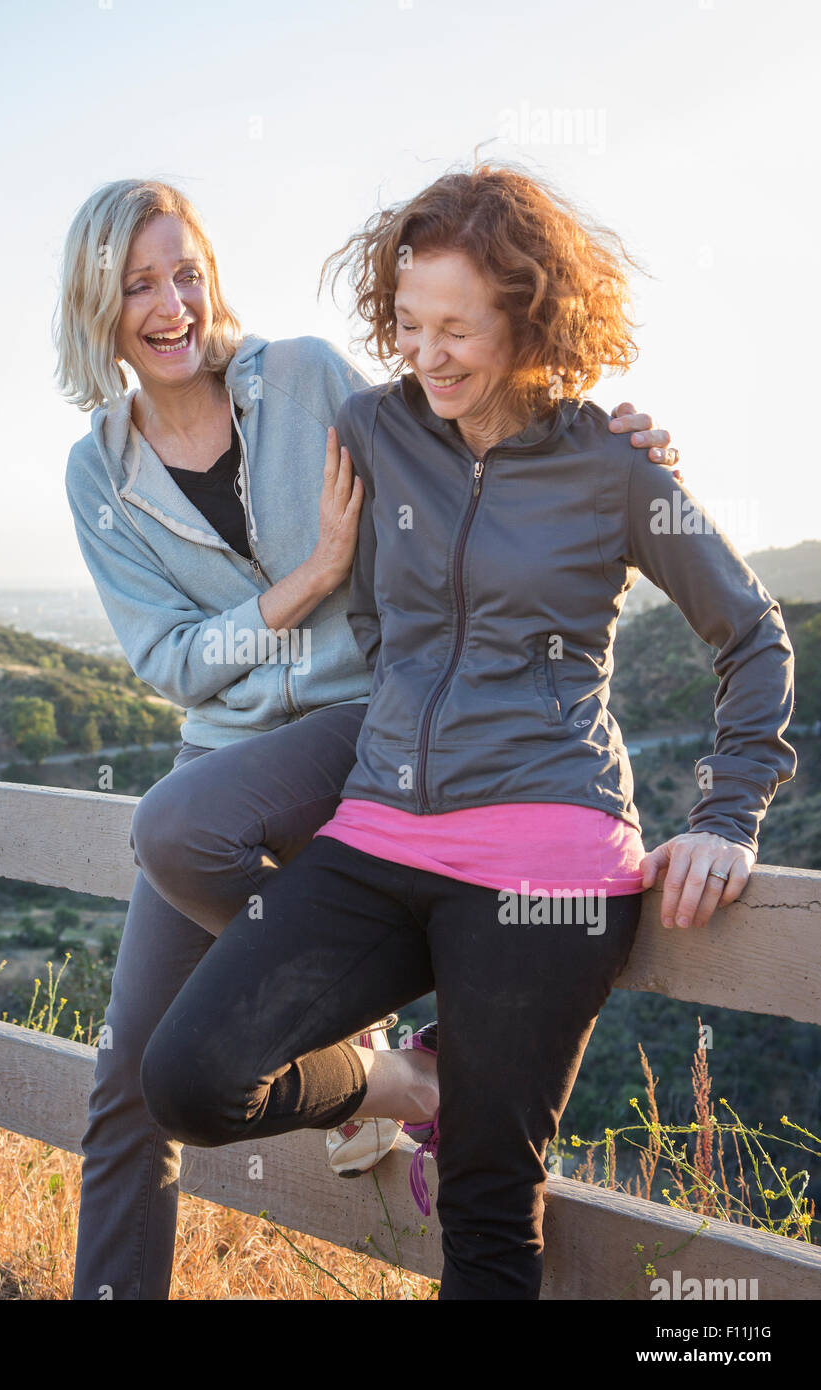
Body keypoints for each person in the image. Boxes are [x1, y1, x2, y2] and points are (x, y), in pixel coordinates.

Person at [136, 163, 797, 1300]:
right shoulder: (370, 428)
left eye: (459, 329)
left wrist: (726, 817)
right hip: (377, 837)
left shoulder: (616, 464)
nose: (428, 355)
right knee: (189, 1078)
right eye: (407, 325)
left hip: (548, 865)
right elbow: (230, 418)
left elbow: (753, 637)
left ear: (531, 318)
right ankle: (412, 1083)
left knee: (490, 1214)